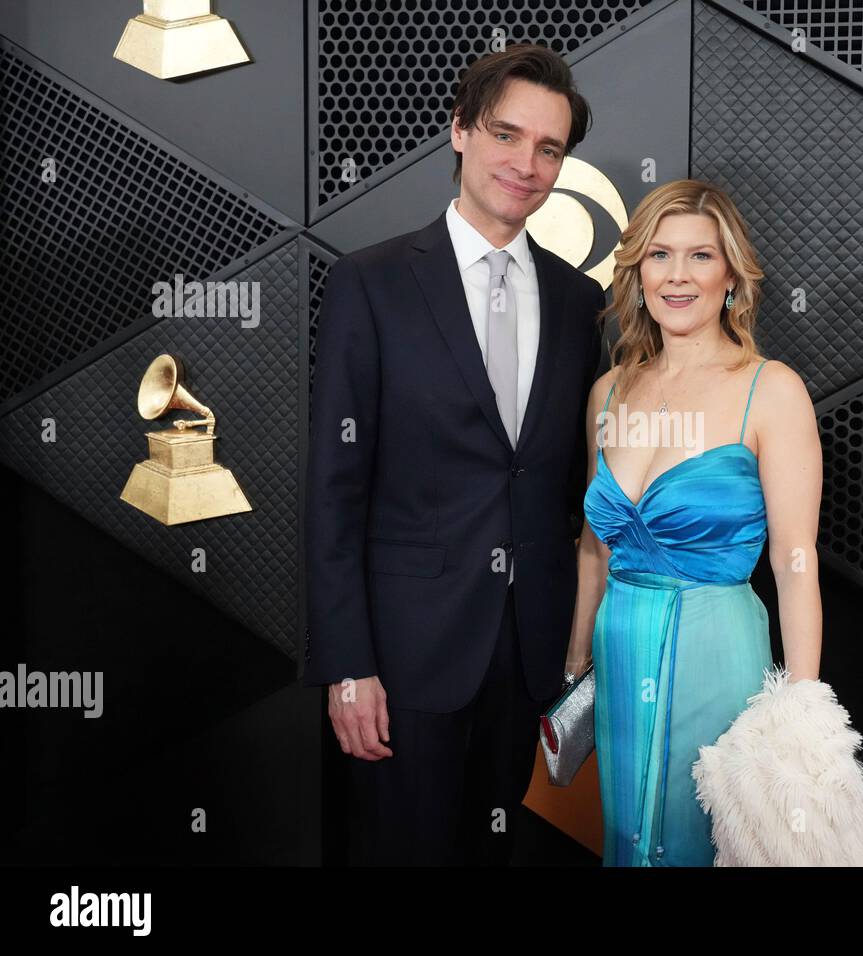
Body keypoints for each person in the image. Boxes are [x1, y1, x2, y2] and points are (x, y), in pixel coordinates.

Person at [302, 44, 606, 866]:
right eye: (507, 135)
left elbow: (582, 488)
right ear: (460, 132)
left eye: (549, 148)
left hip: (537, 661)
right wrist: (348, 667)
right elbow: (335, 490)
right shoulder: (370, 284)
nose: (527, 163)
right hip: (405, 662)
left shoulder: (583, 303)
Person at [567, 179, 824, 866]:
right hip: (617, 646)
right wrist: (575, 660)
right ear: (638, 274)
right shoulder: (609, 390)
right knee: (626, 835)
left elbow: (795, 563)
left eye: (701, 257)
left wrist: (803, 710)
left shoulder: (771, 389)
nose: (678, 275)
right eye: (659, 255)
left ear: (732, 276)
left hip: (719, 648)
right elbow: (594, 548)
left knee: (700, 836)